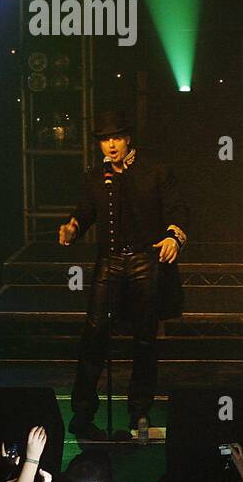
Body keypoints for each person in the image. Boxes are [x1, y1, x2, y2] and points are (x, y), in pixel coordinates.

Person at [60, 111, 189, 441]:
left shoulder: (155, 169)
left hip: (146, 261)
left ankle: (140, 409)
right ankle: (84, 410)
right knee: (93, 333)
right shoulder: (95, 176)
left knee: (145, 338)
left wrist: (174, 237)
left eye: (116, 138)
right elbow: (86, 211)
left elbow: (178, 210)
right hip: (110, 262)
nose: (111, 145)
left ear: (128, 138)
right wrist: (73, 226)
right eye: (105, 139)